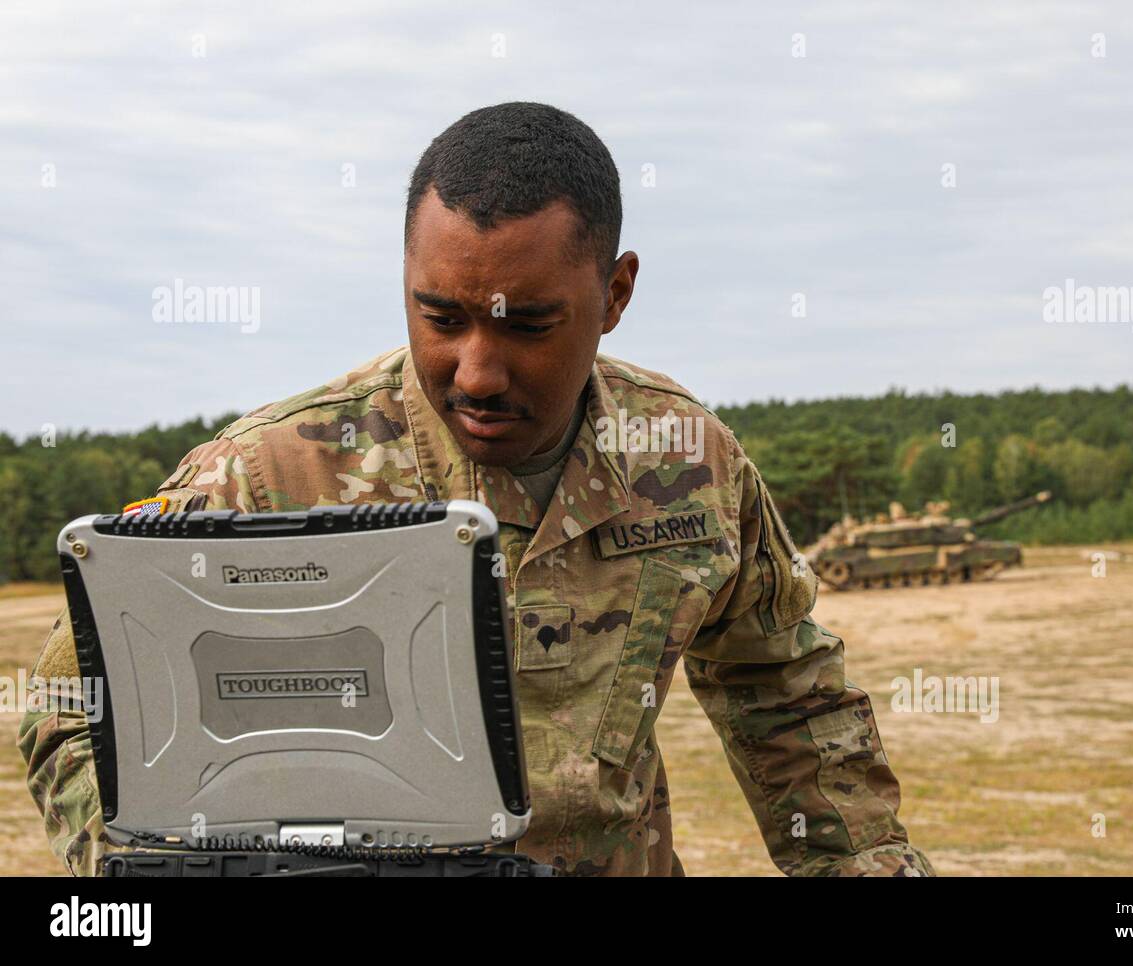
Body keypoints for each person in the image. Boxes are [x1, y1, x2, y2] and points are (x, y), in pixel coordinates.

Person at [18, 101, 933, 877]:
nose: (479, 371)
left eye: (529, 324)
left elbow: (784, 692)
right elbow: (72, 711)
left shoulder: (686, 459)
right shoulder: (269, 473)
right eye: (441, 318)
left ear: (615, 295)